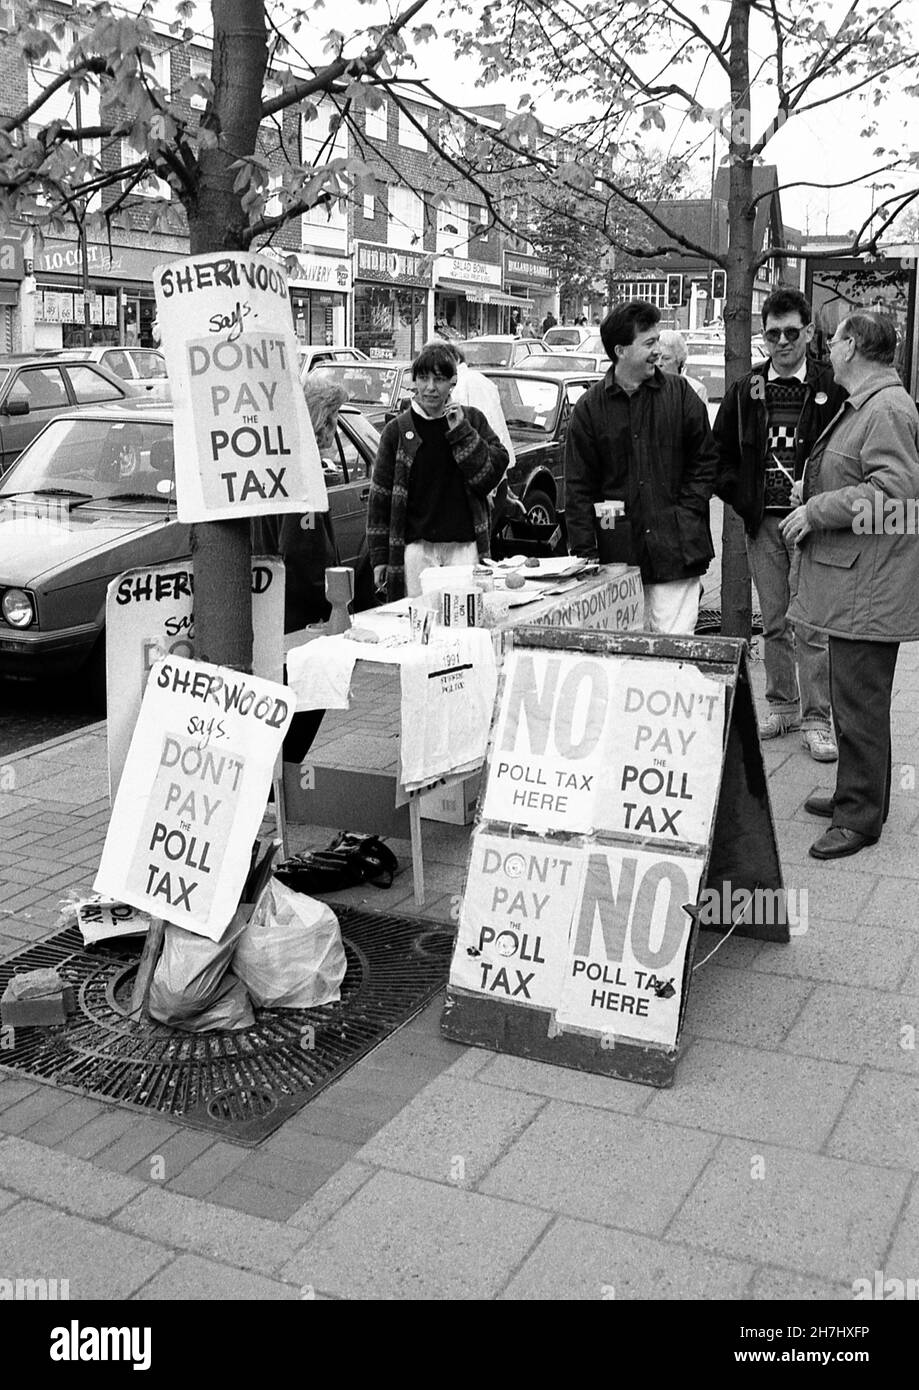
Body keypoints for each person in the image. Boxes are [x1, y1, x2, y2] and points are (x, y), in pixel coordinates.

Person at [782, 311, 919, 858]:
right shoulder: (872, 403)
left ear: (854, 346)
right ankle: (855, 795)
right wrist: (814, 490)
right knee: (853, 699)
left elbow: (895, 497)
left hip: (870, 585)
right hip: (857, 579)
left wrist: (819, 509)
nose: (826, 349)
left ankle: (860, 817)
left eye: (833, 340)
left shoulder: (885, 407)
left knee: (860, 704)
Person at [714, 288, 845, 762]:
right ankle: (783, 705)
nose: (783, 341)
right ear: (763, 336)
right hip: (763, 524)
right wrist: (744, 498)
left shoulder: (832, 389)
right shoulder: (746, 389)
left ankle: (817, 718)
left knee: (811, 622)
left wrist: (818, 496)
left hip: (811, 525)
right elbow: (719, 455)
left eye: (793, 331)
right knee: (773, 621)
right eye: (774, 333)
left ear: (809, 332)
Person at [564, 300, 717, 635]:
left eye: (657, 341)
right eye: (648, 343)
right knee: (624, 660)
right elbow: (578, 489)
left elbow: (705, 462)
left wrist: (686, 512)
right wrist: (586, 557)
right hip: (616, 561)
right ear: (621, 350)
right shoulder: (589, 410)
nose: (657, 352)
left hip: (676, 555)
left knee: (674, 654)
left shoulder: (680, 396)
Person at [251, 375, 346, 763]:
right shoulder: (301, 473)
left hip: (274, 608)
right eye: (334, 419)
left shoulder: (273, 463)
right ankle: (281, 790)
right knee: (302, 708)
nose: (335, 430)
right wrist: (334, 603)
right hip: (300, 619)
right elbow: (303, 553)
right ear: (318, 419)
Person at [367, 342, 509, 601]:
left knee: (466, 619)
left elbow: (489, 476)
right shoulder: (397, 431)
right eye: (423, 378)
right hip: (416, 549)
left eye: (439, 379)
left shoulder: (472, 420)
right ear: (414, 382)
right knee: (419, 624)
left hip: (464, 546)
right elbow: (380, 498)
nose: (431, 387)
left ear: (452, 382)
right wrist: (379, 557)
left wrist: (461, 433)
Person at [657, 329, 708, 405]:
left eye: (666, 358)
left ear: (680, 361)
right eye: (656, 357)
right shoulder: (644, 387)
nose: (659, 363)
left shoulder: (695, 390)